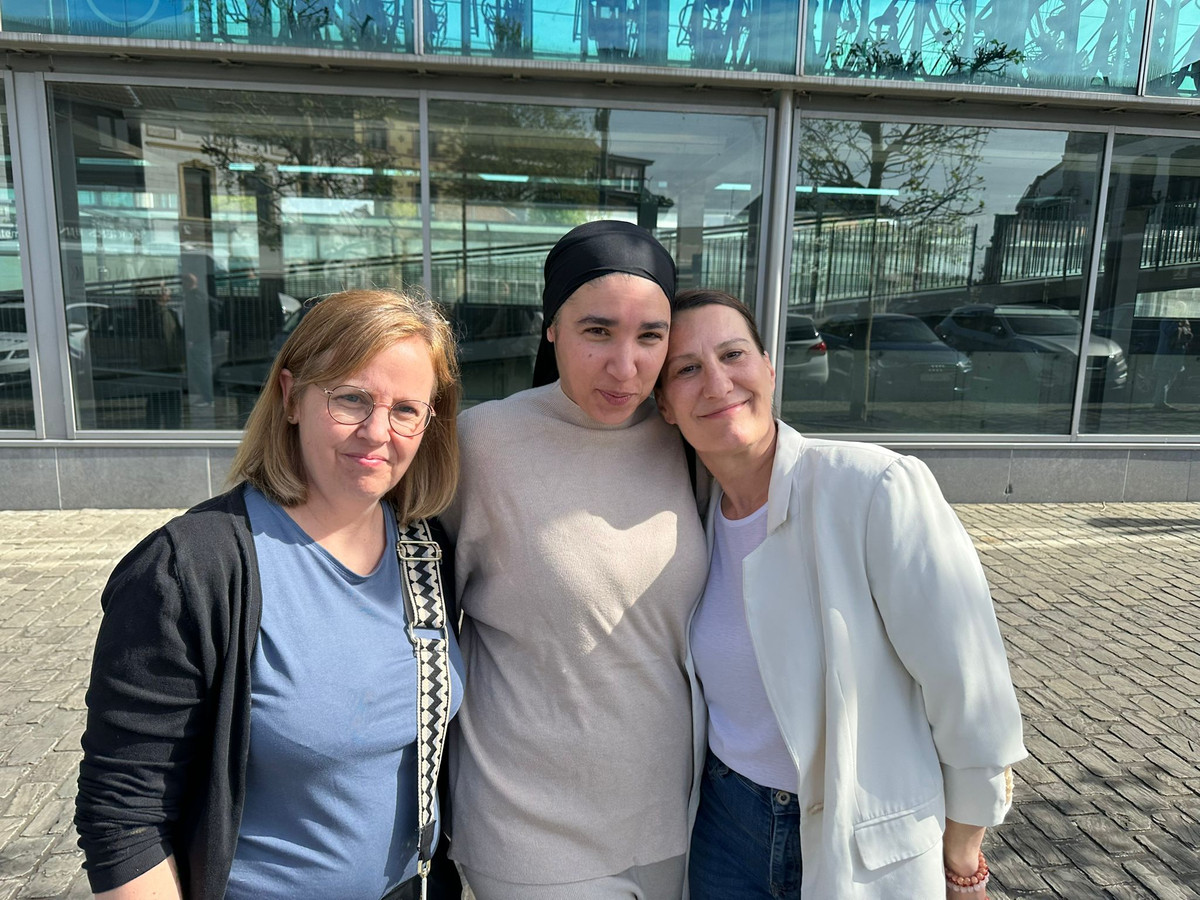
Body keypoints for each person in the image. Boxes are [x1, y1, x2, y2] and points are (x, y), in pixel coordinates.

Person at [75, 288, 465, 900]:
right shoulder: (190, 569)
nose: (377, 432)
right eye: (350, 398)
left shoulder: (427, 550)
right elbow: (124, 818)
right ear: (290, 397)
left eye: (406, 410)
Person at [655, 289, 1027, 900]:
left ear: (769, 369)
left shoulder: (873, 487)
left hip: (856, 842)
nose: (718, 383)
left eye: (733, 354)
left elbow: (970, 686)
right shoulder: (688, 519)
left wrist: (963, 856)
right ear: (666, 406)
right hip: (723, 830)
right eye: (687, 369)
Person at [442, 220, 709, 899]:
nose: (626, 366)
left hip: (676, 821)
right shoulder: (483, 443)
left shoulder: (688, 439)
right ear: (552, 328)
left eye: (650, 336)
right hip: (530, 830)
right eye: (597, 331)